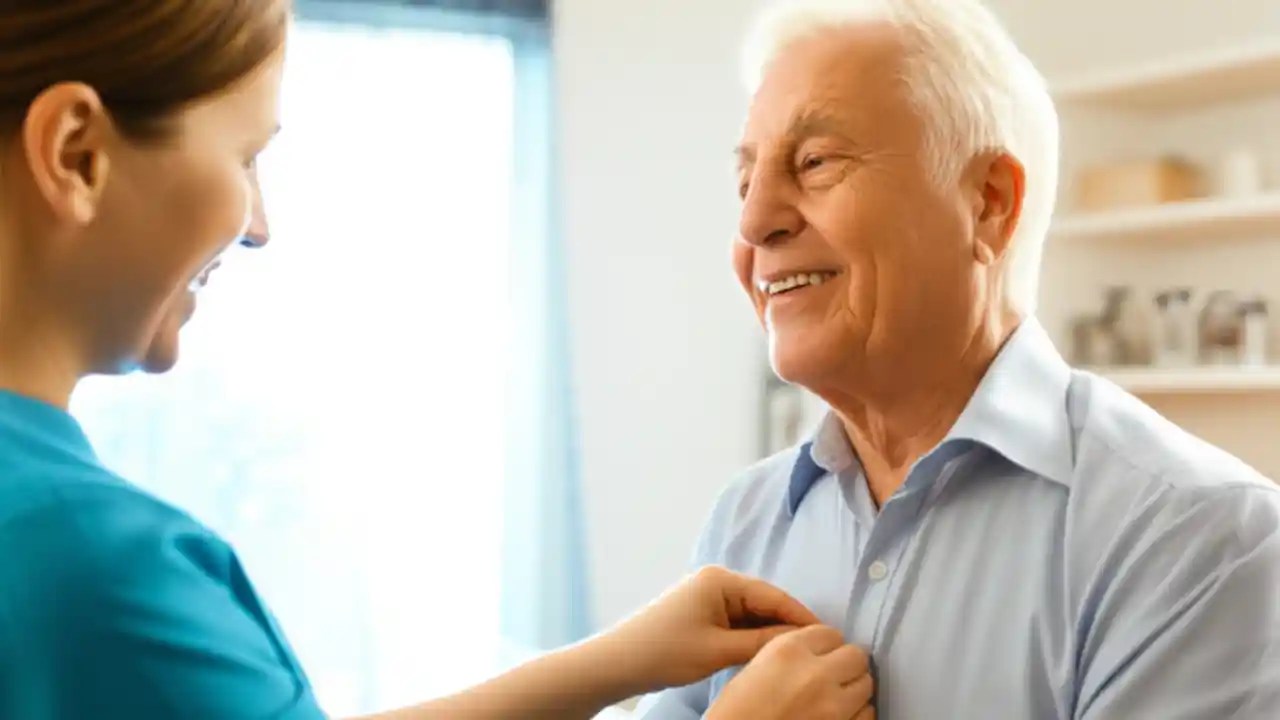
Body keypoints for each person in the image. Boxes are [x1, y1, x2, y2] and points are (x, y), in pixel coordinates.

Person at [0, 2, 880, 718]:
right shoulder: (96, 567)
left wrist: (617, 663)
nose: (259, 224)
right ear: (77, 153)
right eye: (246, 156)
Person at [637, 0, 1280, 718]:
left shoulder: (1199, 540)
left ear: (989, 204)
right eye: (745, 183)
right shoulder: (743, 522)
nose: (755, 223)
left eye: (815, 163)